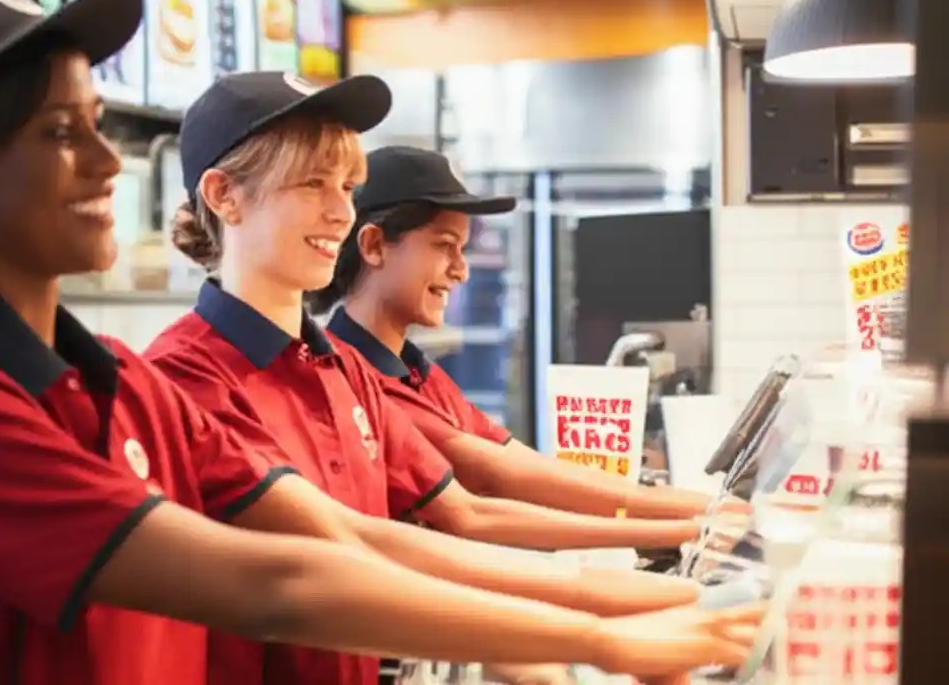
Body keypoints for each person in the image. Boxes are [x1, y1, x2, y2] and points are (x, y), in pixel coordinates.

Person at [0, 0, 761, 685]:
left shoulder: (117, 379)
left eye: (99, 125)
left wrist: (687, 597)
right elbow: (275, 584)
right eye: (58, 132)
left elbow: (358, 540)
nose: (109, 162)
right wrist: (606, 637)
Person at [147, 72, 754, 685]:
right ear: (224, 195)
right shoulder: (183, 381)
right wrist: (624, 619)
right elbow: (362, 548)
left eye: (348, 186)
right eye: (312, 183)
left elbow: (452, 519)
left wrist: (656, 598)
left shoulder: (343, 368)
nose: (339, 212)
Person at [308, 145, 723, 521]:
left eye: (462, 249)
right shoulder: (354, 377)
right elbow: (497, 479)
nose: (461, 270)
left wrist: (687, 506)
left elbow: (522, 462)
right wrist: (698, 515)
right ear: (375, 244)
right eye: (443, 245)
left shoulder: (420, 374)